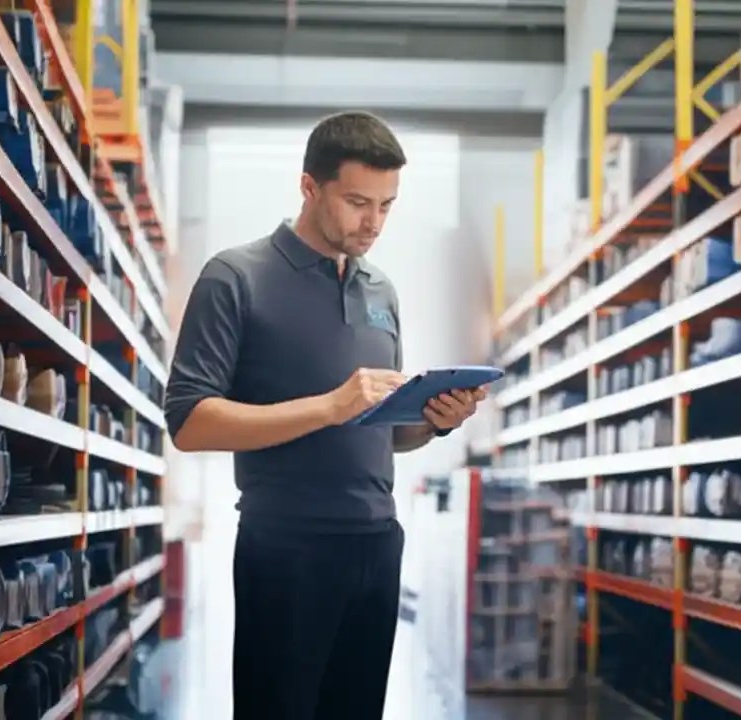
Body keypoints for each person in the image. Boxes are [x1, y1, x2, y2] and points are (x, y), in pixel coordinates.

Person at [164, 111, 488, 720]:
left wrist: (435, 420)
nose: (373, 223)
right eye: (358, 201)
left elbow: (380, 433)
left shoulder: (381, 290)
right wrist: (330, 405)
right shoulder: (236, 277)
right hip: (286, 545)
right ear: (309, 187)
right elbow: (189, 421)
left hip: (376, 543)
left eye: (387, 206)